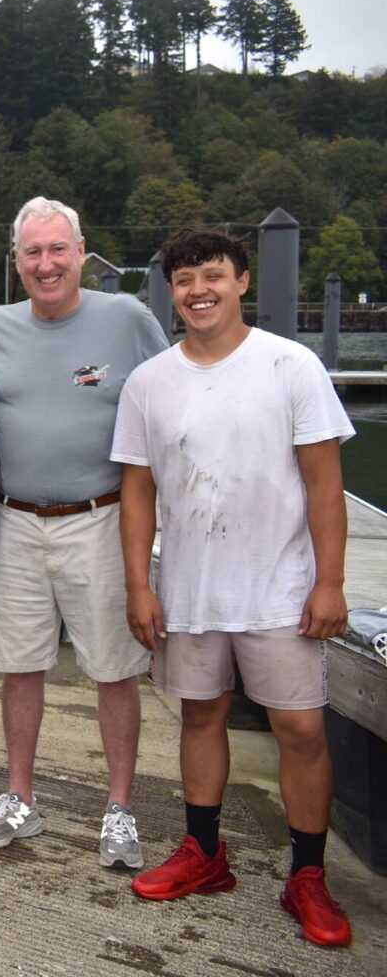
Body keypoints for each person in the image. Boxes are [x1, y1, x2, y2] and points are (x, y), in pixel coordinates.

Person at [114, 229, 354, 947]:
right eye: (184, 280)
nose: (198, 291)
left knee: (301, 729)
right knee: (198, 717)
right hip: (190, 588)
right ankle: (204, 853)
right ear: (170, 293)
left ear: (242, 281)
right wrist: (139, 585)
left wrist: (331, 581)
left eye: (212, 276)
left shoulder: (291, 366)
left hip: (281, 586)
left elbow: (324, 484)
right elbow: (136, 493)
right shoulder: (149, 381)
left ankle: (307, 875)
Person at [0, 197, 168, 868]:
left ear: (82, 252)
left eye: (59, 250)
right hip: (17, 523)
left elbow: (172, 400)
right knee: (20, 667)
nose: (47, 264)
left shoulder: (128, 319)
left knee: (115, 669)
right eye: (33, 252)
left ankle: (119, 810)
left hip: (101, 518)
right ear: (17, 261)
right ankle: (19, 798)